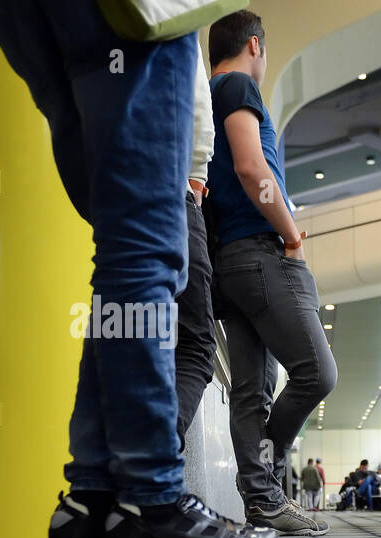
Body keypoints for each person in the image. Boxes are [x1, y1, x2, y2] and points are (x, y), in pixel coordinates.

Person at [0, 0, 276, 538]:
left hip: (33, 19)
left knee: (123, 254)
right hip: (130, 16)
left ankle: (92, 503)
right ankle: (149, 496)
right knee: (145, 253)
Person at [208, 11, 337, 536]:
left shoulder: (204, 93)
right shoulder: (237, 84)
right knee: (316, 372)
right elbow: (250, 167)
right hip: (260, 251)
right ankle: (264, 480)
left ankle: (263, 500)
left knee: (251, 390)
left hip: (227, 263)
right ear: (255, 45)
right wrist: (292, 236)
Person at [172, 50, 218, 448]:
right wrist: (197, 181)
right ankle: (152, 465)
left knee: (117, 330)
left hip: (112, 198)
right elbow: (198, 105)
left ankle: (92, 486)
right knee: (196, 343)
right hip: (173, 191)